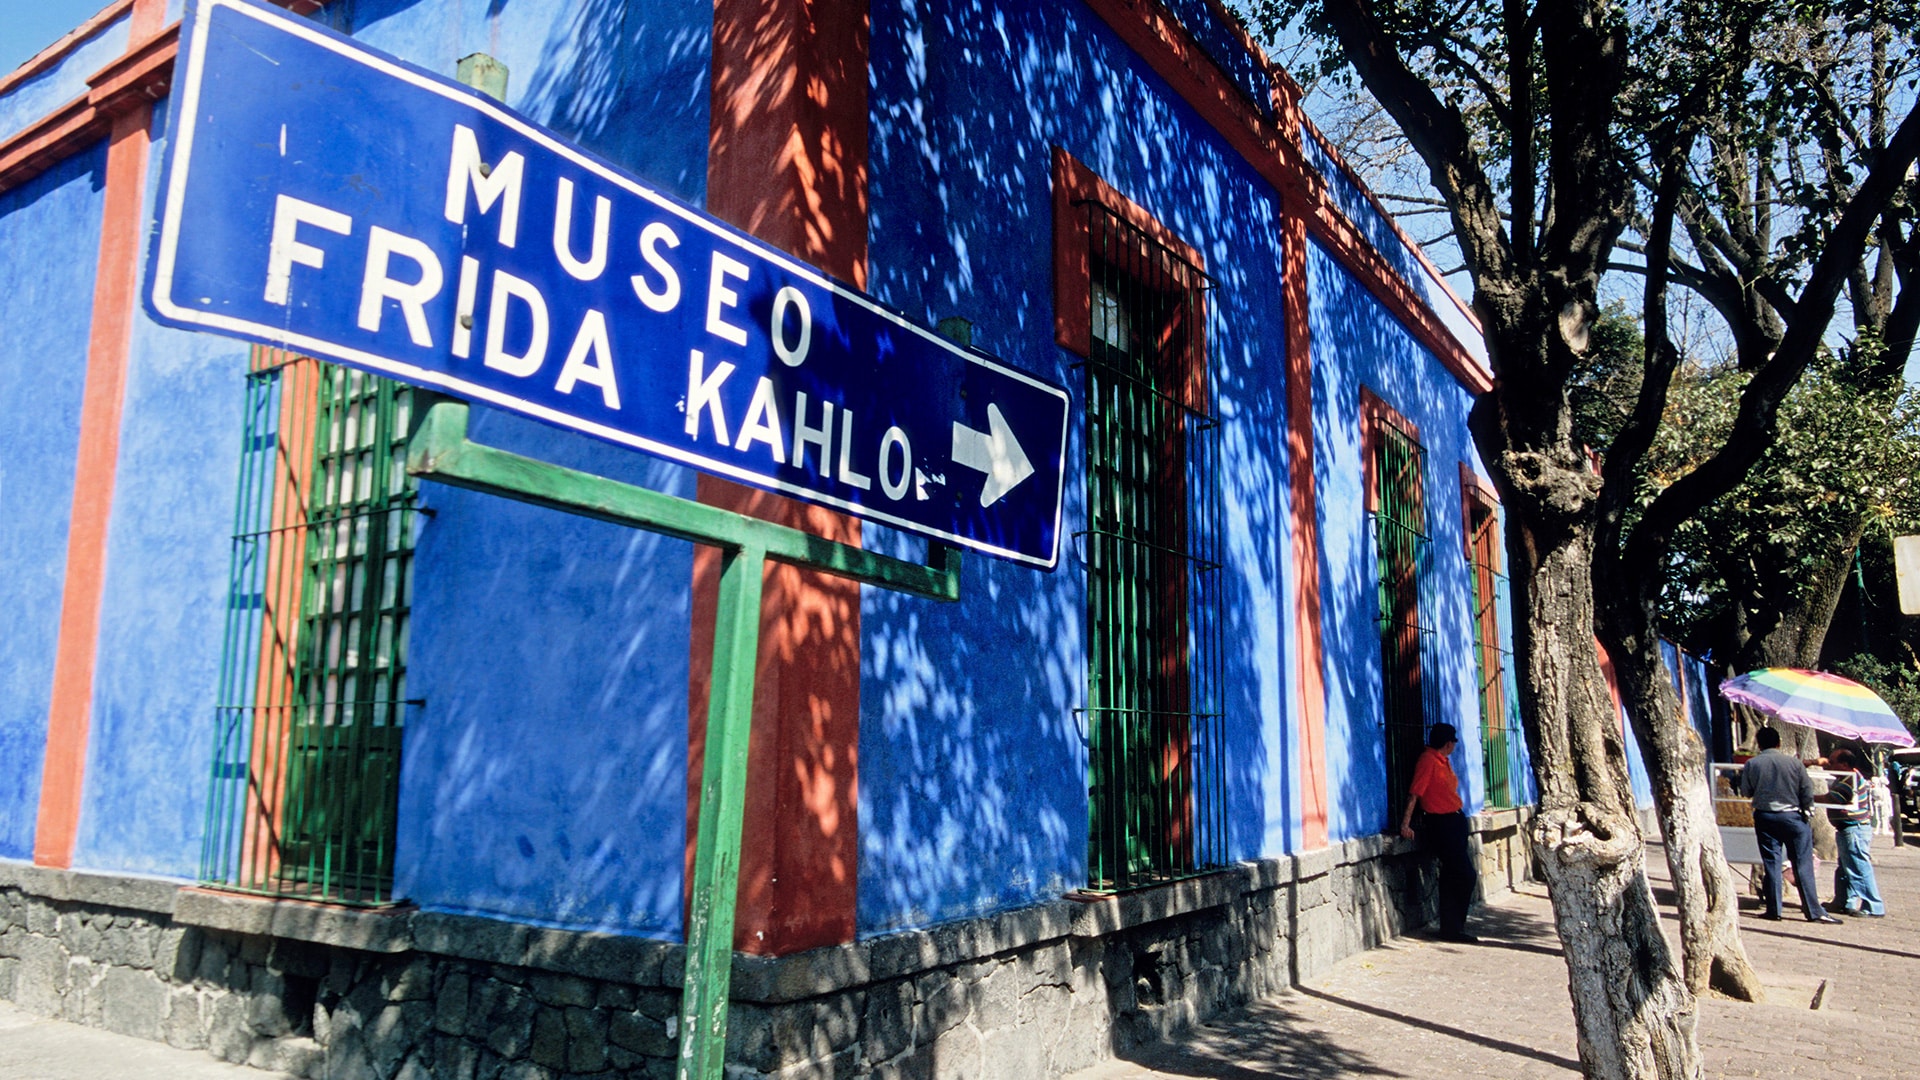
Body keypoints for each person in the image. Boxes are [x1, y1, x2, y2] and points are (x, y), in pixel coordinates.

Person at [1740, 726, 1840, 923]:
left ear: (1759, 744)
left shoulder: (1752, 764)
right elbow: (1806, 791)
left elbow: (1746, 791)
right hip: (1793, 817)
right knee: (1802, 864)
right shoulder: (1795, 764)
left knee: (1772, 863)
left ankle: (1774, 910)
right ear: (1779, 743)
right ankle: (1813, 911)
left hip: (1765, 817)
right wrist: (1806, 811)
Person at [1399, 722, 1479, 943]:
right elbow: (1415, 793)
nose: (1454, 745)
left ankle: (1452, 928)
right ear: (1447, 742)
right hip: (1442, 824)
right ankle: (1453, 928)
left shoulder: (1443, 761)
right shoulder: (1428, 761)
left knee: (1452, 875)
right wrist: (1405, 824)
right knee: (1465, 875)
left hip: (1454, 820)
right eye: (1453, 741)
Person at [1825, 748, 1887, 917]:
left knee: (1858, 867)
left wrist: (1807, 796)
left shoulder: (1849, 780)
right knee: (1846, 868)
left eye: (1833, 762)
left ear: (1844, 765)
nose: (1829, 765)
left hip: (1854, 829)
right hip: (1848, 829)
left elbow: (1833, 799)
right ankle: (1845, 901)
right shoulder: (1846, 777)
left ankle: (1874, 906)